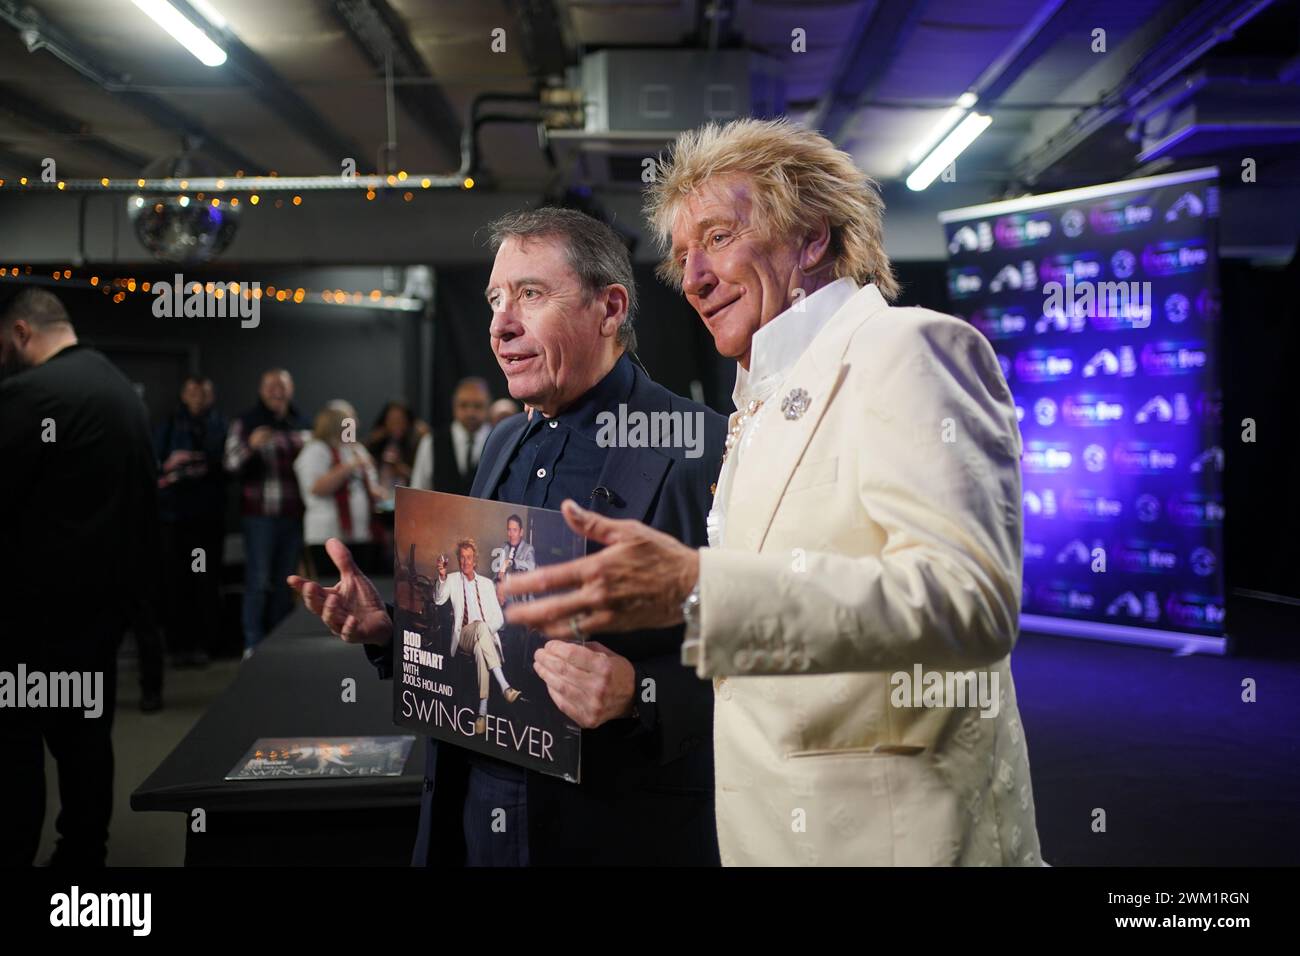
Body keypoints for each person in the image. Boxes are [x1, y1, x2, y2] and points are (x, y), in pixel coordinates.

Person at [502, 118, 1043, 866]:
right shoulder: (756, 402)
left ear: (813, 237)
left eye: (718, 238)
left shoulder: (906, 348)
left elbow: (971, 602)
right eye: (683, 256)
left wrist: (699, 591)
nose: (691, 279)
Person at [289, 207, 726, 866]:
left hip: (615, 826)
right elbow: (492, 627)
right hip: (474, 810)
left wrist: (639, 695)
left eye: (530, 294)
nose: (501, 324)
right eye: (495, 299)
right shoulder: (500, 442)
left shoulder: (703, 446)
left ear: (610, 309)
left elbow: (766, 657)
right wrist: (393, 632)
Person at [0, 288, 158, 866]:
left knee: (15, 752)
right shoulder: (123, 393)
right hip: (99, 612)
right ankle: (83, 858)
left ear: (21, 333)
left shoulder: (30, 393)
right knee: (86, 741)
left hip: (25, 615)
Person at [225, 368, 309, 656]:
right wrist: (251, 446)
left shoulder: (301, 422)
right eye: (271, 385)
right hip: (259, 516)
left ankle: (278, 643)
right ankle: (252, 643)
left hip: (294, 515)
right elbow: (230, 465)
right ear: (261, 390)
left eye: (282, 385)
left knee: (287, 582)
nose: (277, 391)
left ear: (290, 389)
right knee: (259, 581)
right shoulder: (246, 422)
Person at [155, 375, 228, 668]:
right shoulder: (168, 425)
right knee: (176, 581)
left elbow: (229, 464)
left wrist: (205, 465)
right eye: (192, 391)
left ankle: (205, 645)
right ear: (184, 395)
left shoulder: (221, 425)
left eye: (204, 391)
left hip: (208, 519)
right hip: (175, 519)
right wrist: (171, 465)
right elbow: (153, 463)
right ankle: (177, 646)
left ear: (211, 395)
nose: (198, 396)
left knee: (207, 582)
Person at [433, 538, 520, 735]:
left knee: (482, 649)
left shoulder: (488, 584)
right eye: (462, 558)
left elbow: (498, 619)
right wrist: (441, 577)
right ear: (458, 560)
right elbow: (438, 600)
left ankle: (482, 712)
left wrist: (483, 634)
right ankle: (504, 685)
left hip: (483, 637)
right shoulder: (453, 579)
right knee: (479, 627)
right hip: (464, 636)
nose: (465, 562)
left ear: (475, 561)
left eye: (469, 558)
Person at [294, 400, 386, 576]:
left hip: (361, 534)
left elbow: (371, 485)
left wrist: (380, 494)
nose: (356, 423)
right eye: (350, 419)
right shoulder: (315, 450)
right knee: (332, 586)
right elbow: (317, 488)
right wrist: (348, 466)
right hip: (326, 535)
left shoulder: (356, 449)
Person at [410, 378, 491, 495]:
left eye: (477, 406)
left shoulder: (500, 443)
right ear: (454, 406)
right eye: (464, 405)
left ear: (488, 407)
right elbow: (417, 492)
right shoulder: (431, 442)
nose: (470, 412)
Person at [366, 399, 426, 493]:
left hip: (407, 498)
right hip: (381, 497)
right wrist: (372, 441)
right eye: (391, 420)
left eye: (400, 420)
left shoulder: (417, 443)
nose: (396, 424)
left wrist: (401, 470)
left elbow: (423, 480)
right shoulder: (378, 442)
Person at [494, 513, 535, 604]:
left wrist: (512, 562)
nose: (511, 534)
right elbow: (497, 575)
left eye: (515, 530)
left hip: (524, 602)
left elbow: (531, 567)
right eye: (509, 530)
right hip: (506, 600)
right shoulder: (504, 547)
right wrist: (498, 591)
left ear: (521, 532)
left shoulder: (528, 549)